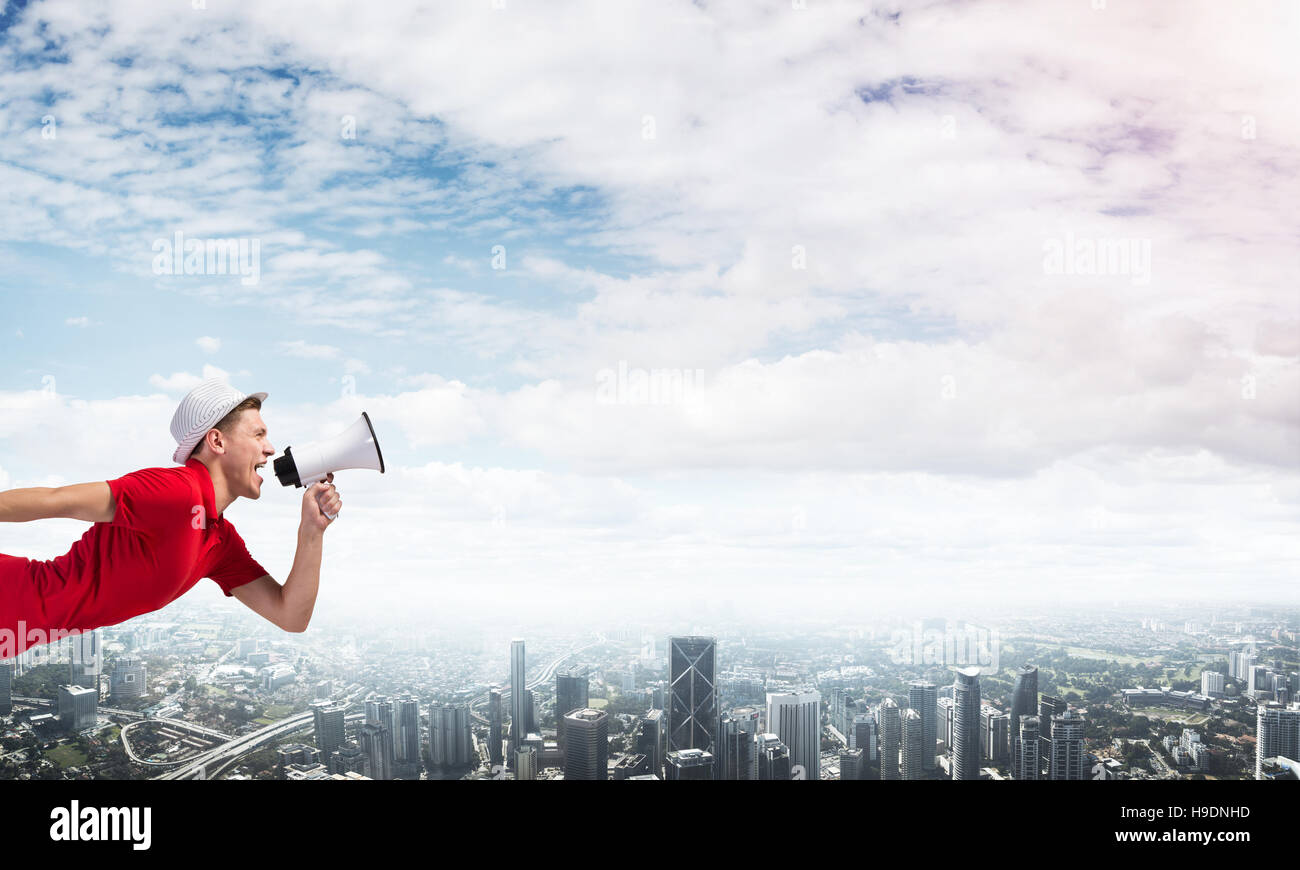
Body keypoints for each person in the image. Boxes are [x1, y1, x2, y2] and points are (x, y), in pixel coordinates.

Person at [0, 379, 342, 661]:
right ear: (217, 441)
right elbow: (55, 501)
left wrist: (312, 531)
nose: (270, 449)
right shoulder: (177, 492)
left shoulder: (219, 542)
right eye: (258, 434)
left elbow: (290, 616)